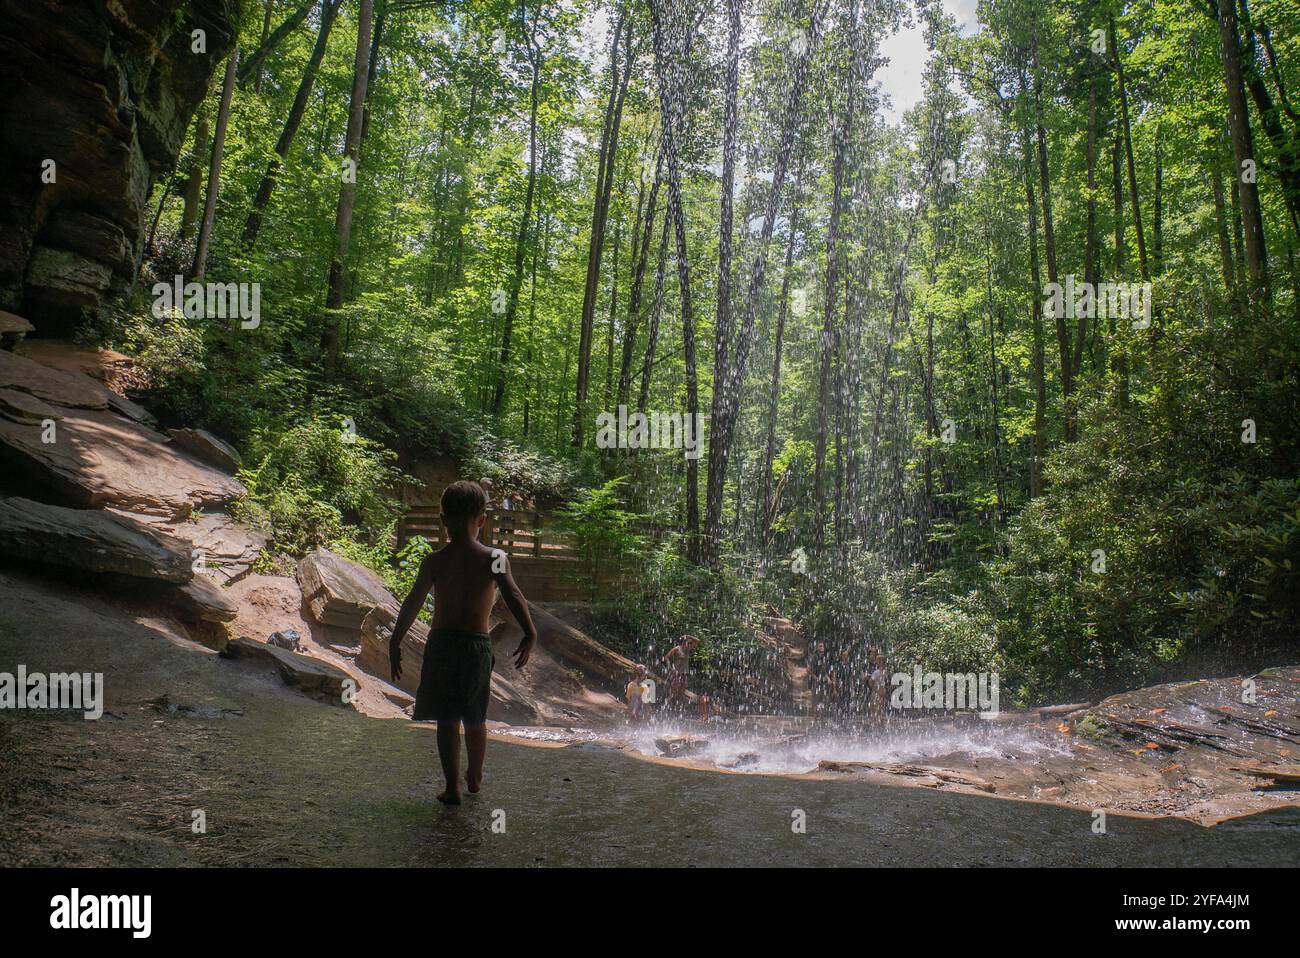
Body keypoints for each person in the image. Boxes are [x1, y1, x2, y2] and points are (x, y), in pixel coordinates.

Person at [390, 480, 538, 805]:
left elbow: (412, 603)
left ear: (443, 520)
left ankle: (452, 786)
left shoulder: (434, 562)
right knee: (475, 717)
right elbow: (514, 595)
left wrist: (396, 640)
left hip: (441, 645)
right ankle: (475, 774)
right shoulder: (494, 558)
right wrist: (530, 631)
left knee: (446, 718)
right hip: (476, 647)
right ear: (482, 520)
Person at [663, 635, 699, 712]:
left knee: (681, 695)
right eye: (688, 642)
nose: (690, 645)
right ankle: (665, 708)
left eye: (690, 643)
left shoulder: (688, 649)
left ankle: (678, 712)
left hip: (684, 675)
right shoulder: (677, 649)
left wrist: (689, 636)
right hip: (676, 674)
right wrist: (669, 666)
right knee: (673, 694)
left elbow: (698, 641)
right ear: (683, 642)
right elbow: (666, 657)